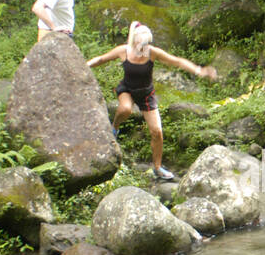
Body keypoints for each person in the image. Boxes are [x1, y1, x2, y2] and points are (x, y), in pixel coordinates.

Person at [87, 21, 218, 180]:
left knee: (157, 132)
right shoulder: (124, 51)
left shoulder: (153, 52)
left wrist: (200, 70)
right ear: (134, 41)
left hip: (146, 94)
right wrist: (85, 65)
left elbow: (176, 61)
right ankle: (114, 128)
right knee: (125, 109)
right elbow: (101, 59)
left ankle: (157, 167)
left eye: (147, 44)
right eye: (141, 44)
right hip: (127, 89)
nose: (144, 47)